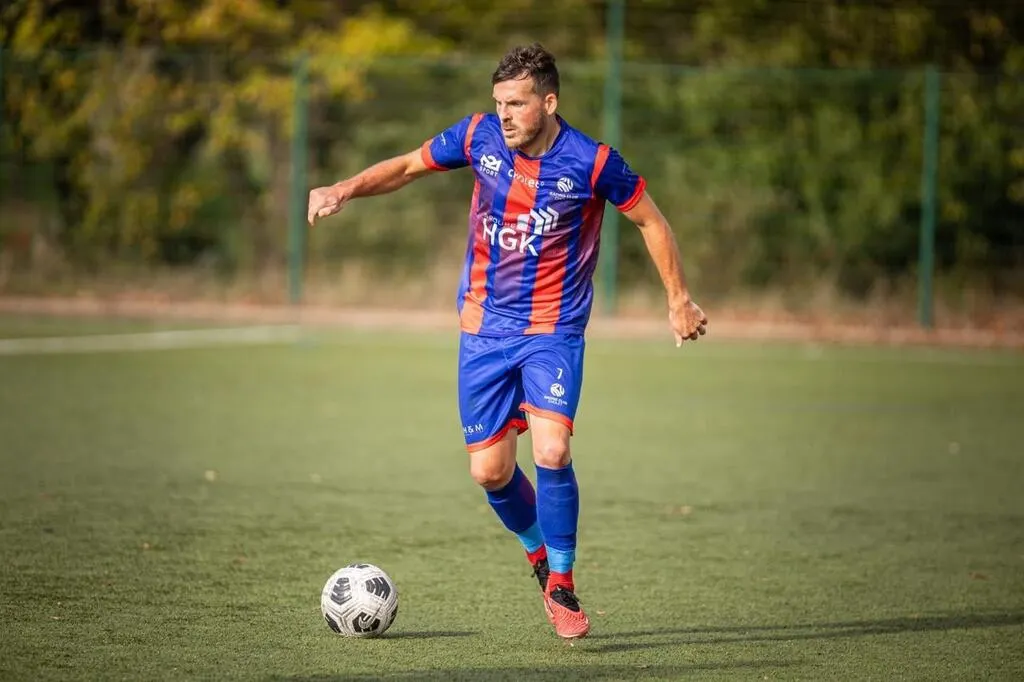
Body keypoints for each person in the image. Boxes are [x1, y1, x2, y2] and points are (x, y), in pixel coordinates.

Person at [307, 43, 707, 640]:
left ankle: (563, 585)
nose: (506, 115)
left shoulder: (593, 162)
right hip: (482, 330)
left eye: (517, 104)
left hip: (554, 330)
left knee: (550, 451)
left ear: (549, 102)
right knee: (490, 473)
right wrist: (344, 187)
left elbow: (651, 219)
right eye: (499, 104)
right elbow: (409, 167)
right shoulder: (477, 138)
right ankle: (538, 557)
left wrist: (678, 299)